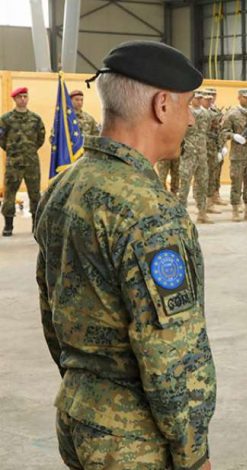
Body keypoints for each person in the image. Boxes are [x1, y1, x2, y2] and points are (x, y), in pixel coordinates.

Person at [34, 40, 215, 469]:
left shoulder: (65, 186)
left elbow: (52, 307)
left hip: (80, 414)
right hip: (135, 439)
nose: (190, 119)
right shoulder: (149, 211)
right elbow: (170, 351)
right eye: (188, 106)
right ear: (163, 105)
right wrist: (194, 454)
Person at [0, 87, 45, 236]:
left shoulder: (36, 119)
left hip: (32, 161)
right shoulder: (5, 119)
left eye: (25, 96)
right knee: (10, 194)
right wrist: (13, 151)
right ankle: (8, 225)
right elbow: (1, 139)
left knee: (35, 194)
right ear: (15, 99)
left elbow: (41, 138)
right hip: (14, 162)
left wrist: (29, 151)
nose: (23, 99)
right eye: (20, 97)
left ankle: (35, 225)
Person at [221, 88, 247, 222]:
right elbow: (223, 132)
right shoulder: (232, 114)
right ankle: (235, 210)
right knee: (236, 183)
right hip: (237, 156)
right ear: (239, 97)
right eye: (245, 97)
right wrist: (234, 136)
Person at [178, 91, 213, 224]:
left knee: (203, 182)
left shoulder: (206, 114)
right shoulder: (185, 112)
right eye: (196, 98)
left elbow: (206, 132)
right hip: (189, 153)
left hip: (202, 153)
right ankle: (181, 213)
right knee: (185, 183)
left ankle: (202, 212)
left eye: (200, 99)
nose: (198, 101)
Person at [202, 88, 227, 211]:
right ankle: (205, 202)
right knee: (205, 175)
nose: (211, 97)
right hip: (204, 147)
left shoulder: (217, 111)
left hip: (216, 147)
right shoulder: (202, 111)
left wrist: (223, 146)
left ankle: (214, 196)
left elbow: (221, 130)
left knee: (216, 173)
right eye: (209, 95)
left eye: (213, 95)